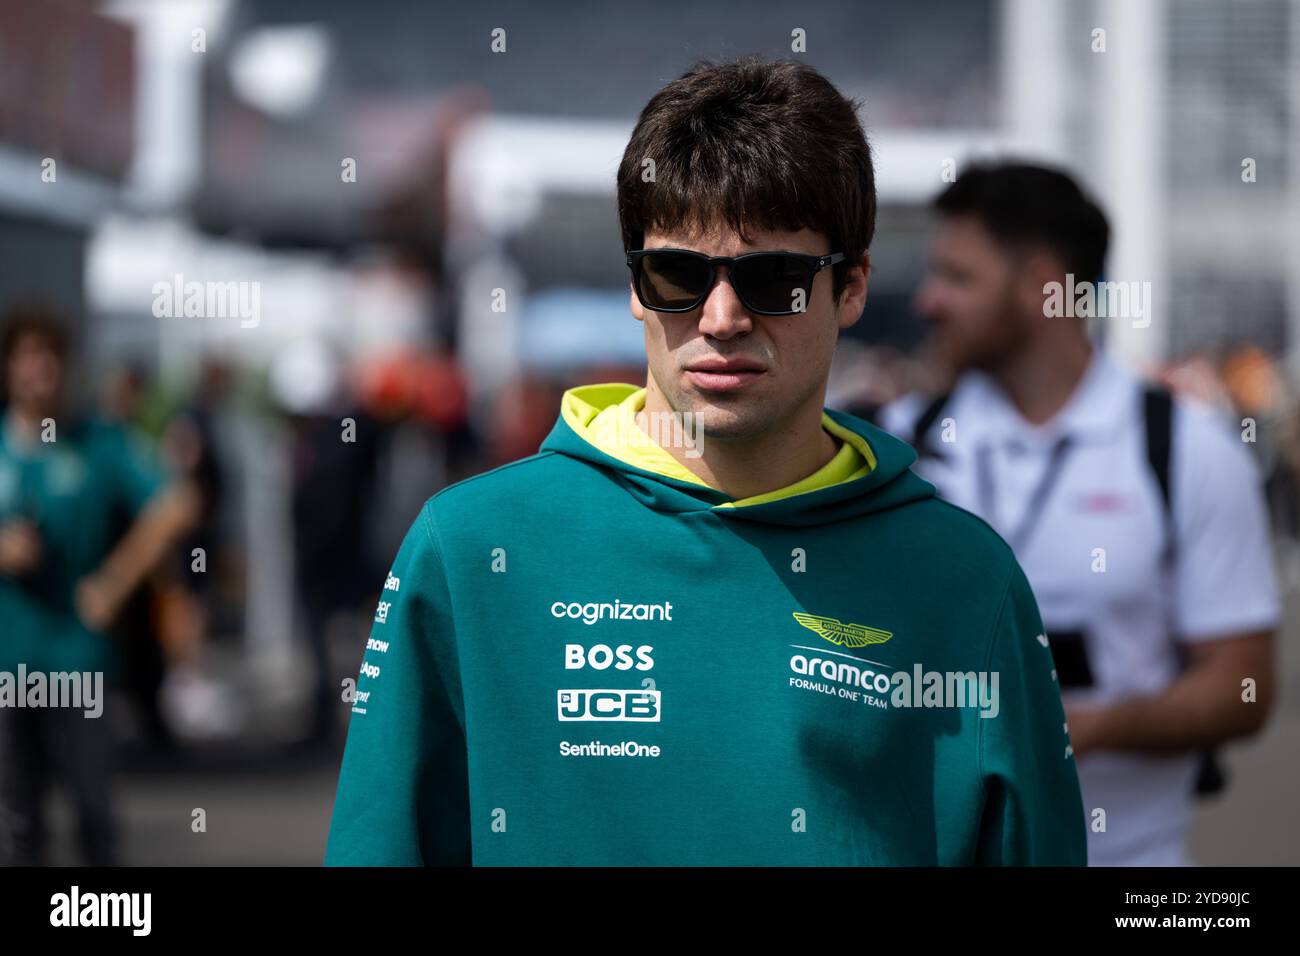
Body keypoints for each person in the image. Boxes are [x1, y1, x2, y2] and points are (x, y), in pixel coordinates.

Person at [324, 57, 1084, 866]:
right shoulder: (470, 549)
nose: (721, 318)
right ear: (634, 285)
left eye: (776, 280)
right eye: (677, 274)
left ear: (853, 286)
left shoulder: (966, 578)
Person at [879, 163, 1281, 866]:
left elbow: (1244, 689)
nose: (929, 301)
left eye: (958, 277)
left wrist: (1088, 727)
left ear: (1042, 285)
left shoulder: (1189, 449)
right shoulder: (894, 444)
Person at [0, 304, 199, 865]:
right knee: (20, 813)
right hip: (10, 657)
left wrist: (117, 578)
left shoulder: (99, 443)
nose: (42, 369)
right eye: (29, 355)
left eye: (53, 356)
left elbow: (177, 502)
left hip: (77, 656)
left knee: (93, 811)